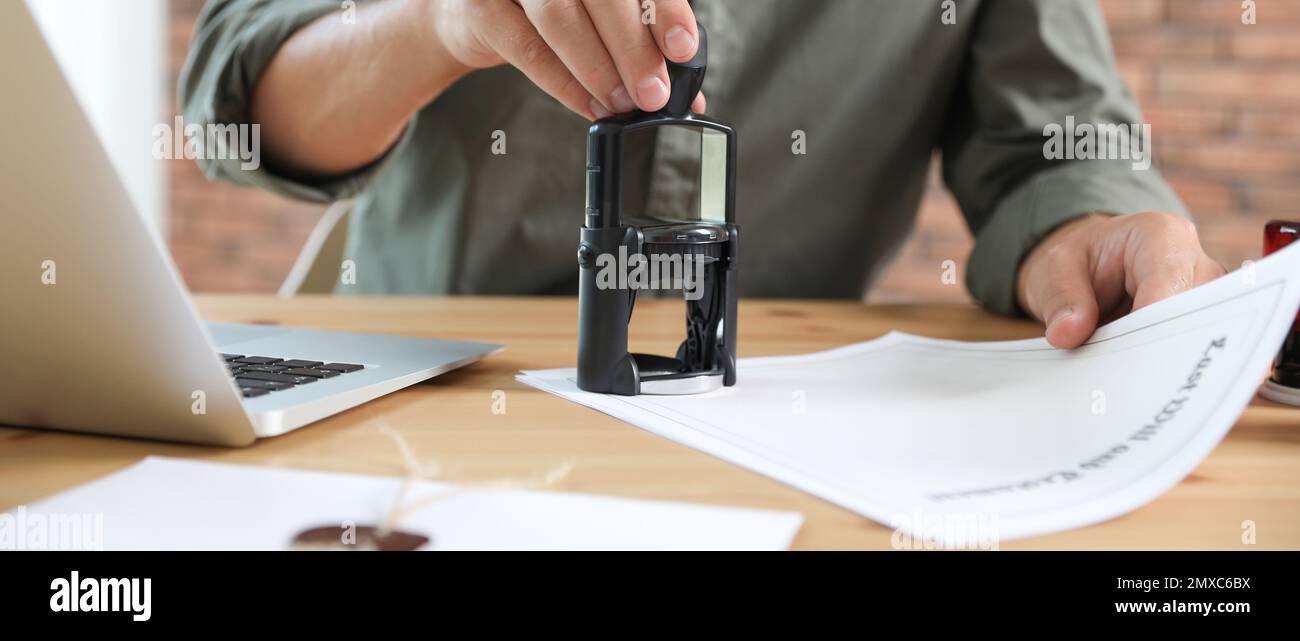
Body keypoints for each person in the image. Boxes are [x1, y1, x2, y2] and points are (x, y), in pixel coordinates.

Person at [180, 0, 1226, 349]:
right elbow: (232, 109)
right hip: (438, 395)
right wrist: (435, 22)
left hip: (794, 423)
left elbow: (1054, 147)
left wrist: (1090, 228)